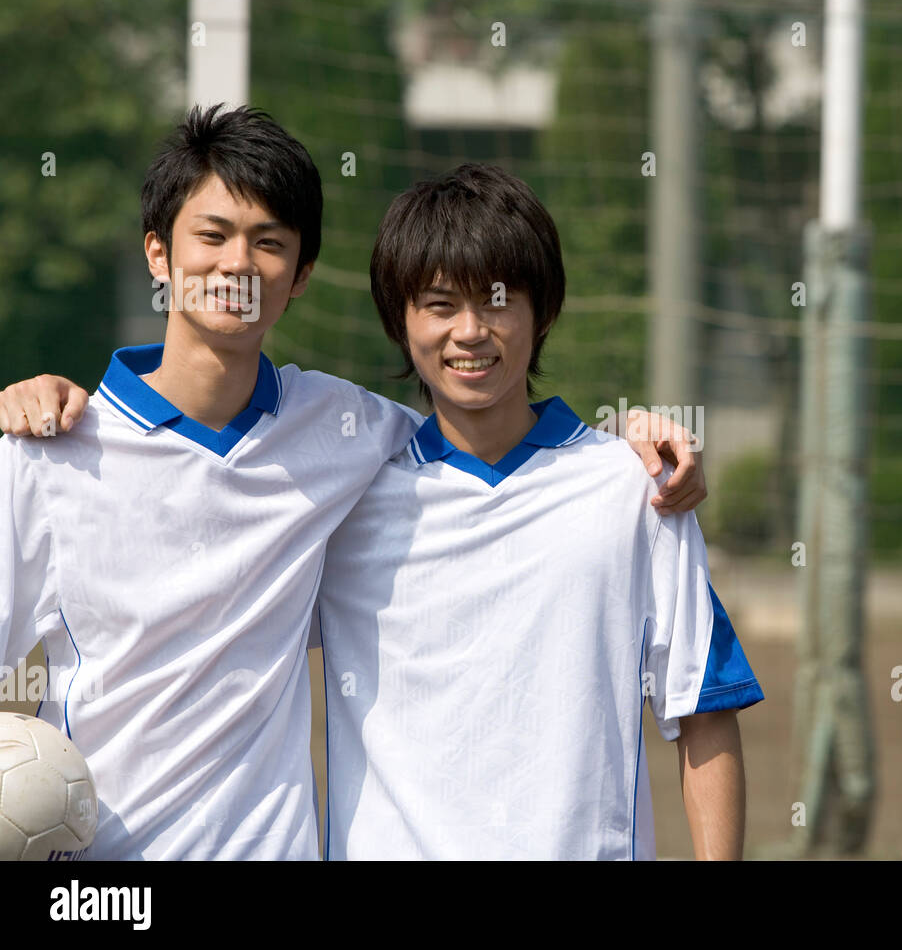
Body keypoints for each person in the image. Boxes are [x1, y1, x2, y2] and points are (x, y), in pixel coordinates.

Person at [0, 107, 704, 859]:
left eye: (268, 243)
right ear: (158, 255)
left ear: (301, 275)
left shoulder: (347, 432)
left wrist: (632, 439)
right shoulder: (45, 456)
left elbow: (483, 430)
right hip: (106, 877)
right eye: (211, 235)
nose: (238, 264)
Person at [316, 164, 762, 860]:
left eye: (496, 301)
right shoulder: (345, 499)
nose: (470, 331)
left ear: (543, 311)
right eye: (438, 305)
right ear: (398, 321)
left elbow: (703, 708)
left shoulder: (635, 488)